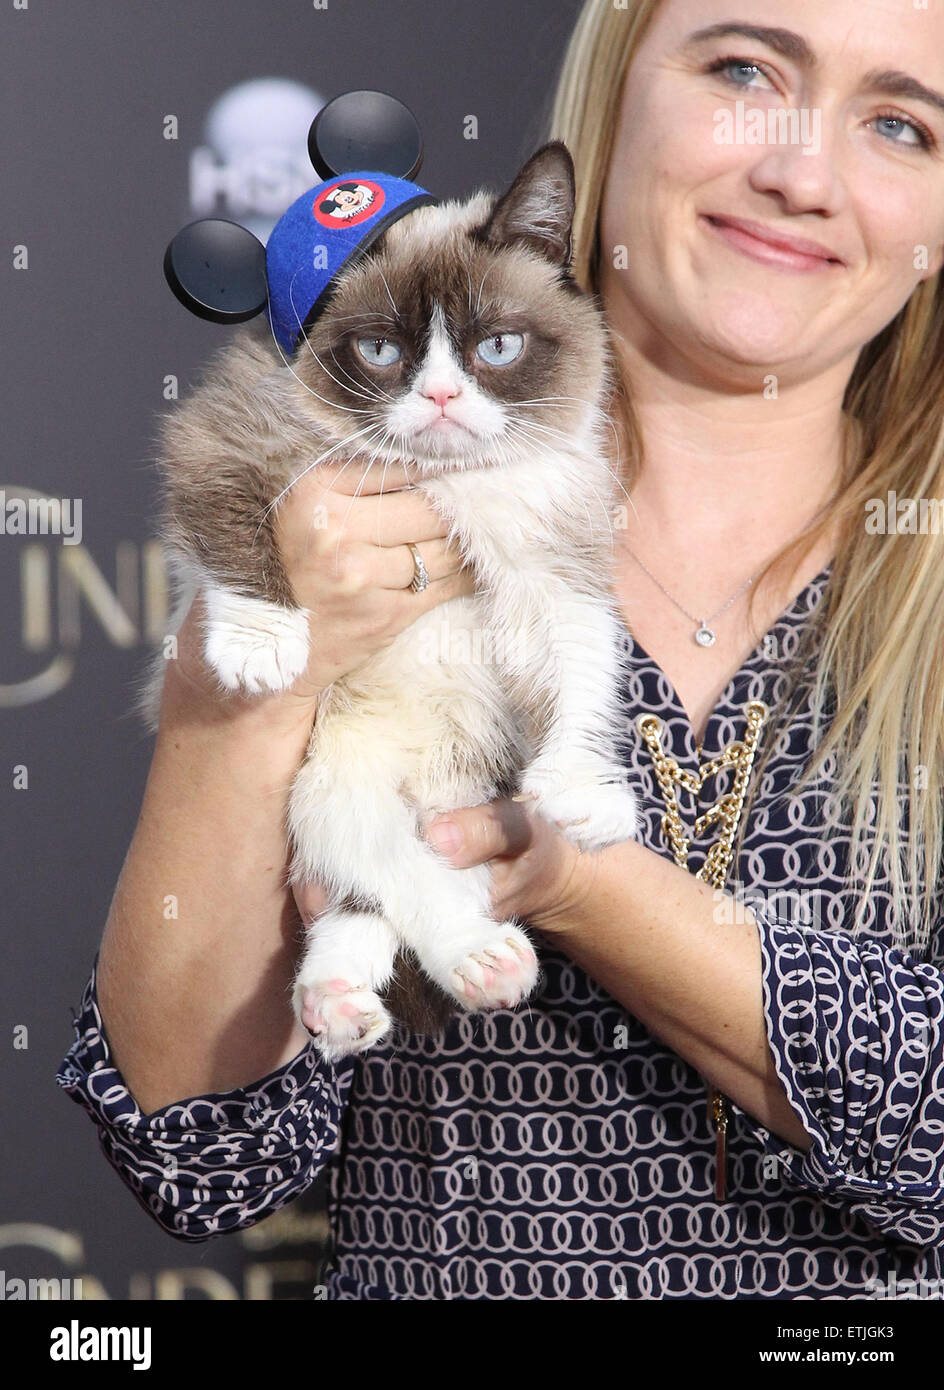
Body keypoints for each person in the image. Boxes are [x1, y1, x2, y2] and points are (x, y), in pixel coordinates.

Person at [58, 0, 944, 1299]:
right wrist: (237, 698)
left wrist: (585, 888)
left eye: (899, 123)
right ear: (614, 88)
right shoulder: (340, 498)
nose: (798, 171)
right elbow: (198, 1156)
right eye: (744, 68)